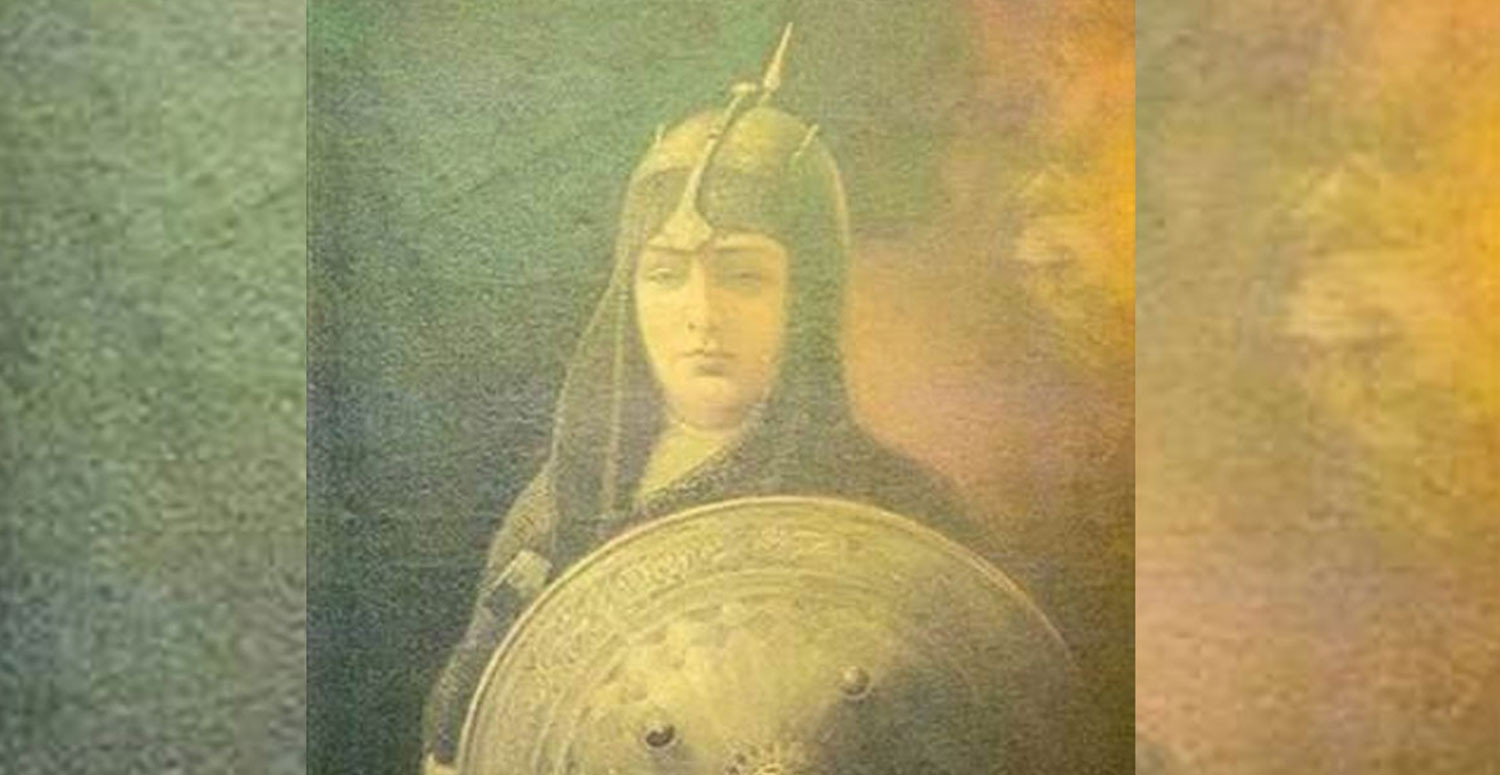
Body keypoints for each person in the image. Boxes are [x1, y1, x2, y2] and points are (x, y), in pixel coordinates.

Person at [421, 30, 977, 771]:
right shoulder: (555, 510)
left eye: (744, 276)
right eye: (665, 275)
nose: (702, 314)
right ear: (628, 295)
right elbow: (464, 737)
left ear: (807, 299)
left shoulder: (899, 511)